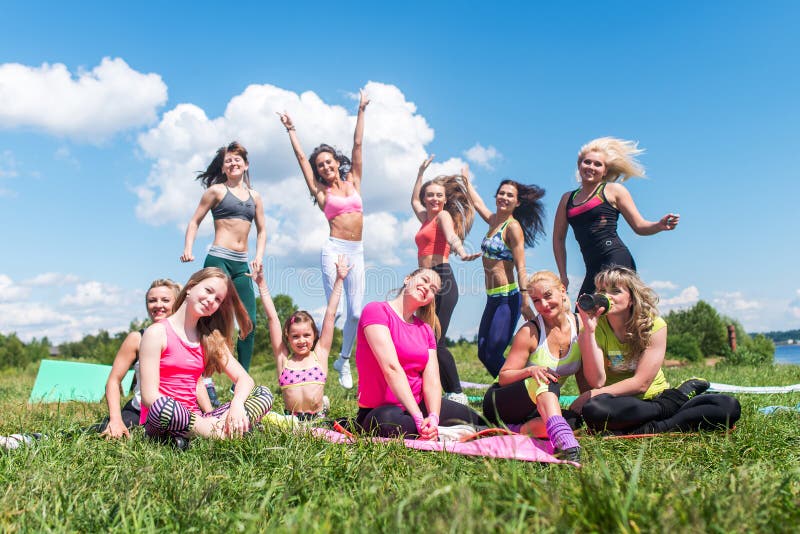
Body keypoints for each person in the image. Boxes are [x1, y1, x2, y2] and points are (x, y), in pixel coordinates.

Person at [571, 266, 741, 434]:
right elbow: (597, 382)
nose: (606, 296)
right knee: (594, 410)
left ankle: (653, 420)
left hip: (655, 397)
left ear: (631, 298)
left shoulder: (654, 325)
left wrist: (591, 394)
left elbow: (641, 384)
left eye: (615, 291)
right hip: (619, 404)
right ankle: (674, 405)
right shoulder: (592, 329)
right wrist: (590, 332)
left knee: (728, 407)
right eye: (601, 290)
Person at [278, 91, 369, 390]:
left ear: (336, 162)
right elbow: (301, 158)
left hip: (357, 251)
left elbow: (358, 145)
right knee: (339, 309)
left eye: (329, 162)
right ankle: (317, 354)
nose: (325, 167)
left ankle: (343, 360)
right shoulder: (321, 193)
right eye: (321, 166)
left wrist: (361, 110)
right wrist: (292, 130)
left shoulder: (354, 179)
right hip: (334, 251)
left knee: (356, 312)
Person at [139, 268, 274, 442]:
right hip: (162, 419)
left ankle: (196, 435)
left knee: (264, 393)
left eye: (218, 299)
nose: (211, 300)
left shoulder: (209, 337)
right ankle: (221, 433)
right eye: (208, 290)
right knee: (163, 406)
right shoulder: (157, 332)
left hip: (198, 419)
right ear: (190, 287)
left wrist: (237, 405)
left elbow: (245, 379)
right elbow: (149, 397)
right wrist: (206, 424)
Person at [355, 268, 484, 439]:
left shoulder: (426, 330)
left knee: (478, 420)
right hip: (381, 410)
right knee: (384, 423)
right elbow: (391, 368)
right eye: (423, 280)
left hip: (419, 402)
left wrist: (433, 416)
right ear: (407, 279)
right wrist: (417, 416)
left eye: (433, 289)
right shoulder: (376, 311)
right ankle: (443, 433)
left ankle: (441, 429)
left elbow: (432, 380)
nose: (426, 288)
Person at [553, 137, 680, 297]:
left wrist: (659, 225)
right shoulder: (567, 199)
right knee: (583, 314)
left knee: (609, 310)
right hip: (591, 267)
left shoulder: (614, 190)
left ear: (605, 171)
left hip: (616, 260)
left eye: (598, 164)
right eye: (587, 162)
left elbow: (639, 226)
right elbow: (558, 239)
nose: (591, 167)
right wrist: (563, 275)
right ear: (579, 165)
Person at [181, 141, 267, 375]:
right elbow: (194, 221)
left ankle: (241, 378)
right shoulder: (216, 191)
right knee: (209, 317)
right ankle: (200, 372)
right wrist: (188, 247)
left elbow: (262, 230)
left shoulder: (255, 197)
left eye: (237, 159)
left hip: (241, 264)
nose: (232, 162)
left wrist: (258, 257)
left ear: (246, 165)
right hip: (218, 260)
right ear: (223, 168)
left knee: (248, 322)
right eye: (228, 160)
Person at [482, 271, 582, 461]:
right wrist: (530, 370)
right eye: (536, 301)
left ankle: (512, 430)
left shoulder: (579, 326)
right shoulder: (530, 331)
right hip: (502, 401)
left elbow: (586, 377)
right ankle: (568, 449)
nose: (543, 305)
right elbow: (504, 377)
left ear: (562, 291)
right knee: (545, 379)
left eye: (548, 296)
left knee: (574, 421)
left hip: (536, 407)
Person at [410, 156, 480, 404]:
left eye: (439, 196)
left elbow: (451, 237)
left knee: (434, 340)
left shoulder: (443, 217)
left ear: (445, 200)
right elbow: (412, 200)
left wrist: (462, 252)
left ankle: (456, 393)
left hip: (442, 279)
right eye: (430, 195)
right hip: (423, 281)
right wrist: (420, 172)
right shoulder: (424, 218)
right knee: (423, 338)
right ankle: (430, 387)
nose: (435, 199)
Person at [464, 166, 546, 377]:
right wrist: (466, 181)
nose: (504, 197)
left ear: (517, 202)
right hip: (492, 298)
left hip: (508, 298)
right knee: (483, 351)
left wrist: (525, 300)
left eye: (510, 195)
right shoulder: (493, 222)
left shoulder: (513, 227)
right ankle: (510, 388)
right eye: (501, 193)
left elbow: (521, 265)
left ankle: (518, 388)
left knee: (493, 353)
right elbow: (477, 203)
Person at [99, 278, 200, 439]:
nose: (158, 305)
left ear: (177, 302)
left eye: (165, 300)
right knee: (107, 433)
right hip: (140, 411)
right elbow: (113, 380)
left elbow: (197, 383)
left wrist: (209, 415)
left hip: (181, 411)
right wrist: (116, 419)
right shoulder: (137, 338)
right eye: (152, 300)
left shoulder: (189, 337)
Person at [252, 255, 350, 420]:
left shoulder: (320, 354)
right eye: (295, 336)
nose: (302, 340)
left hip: (316, 419)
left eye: (306, 335)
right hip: (291, 421)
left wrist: (340, 279)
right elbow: (273, 319)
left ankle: (324, 406)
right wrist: (261, 284)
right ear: (288, 338)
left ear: (314, 336)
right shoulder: (284, 359)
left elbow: (331, 315)